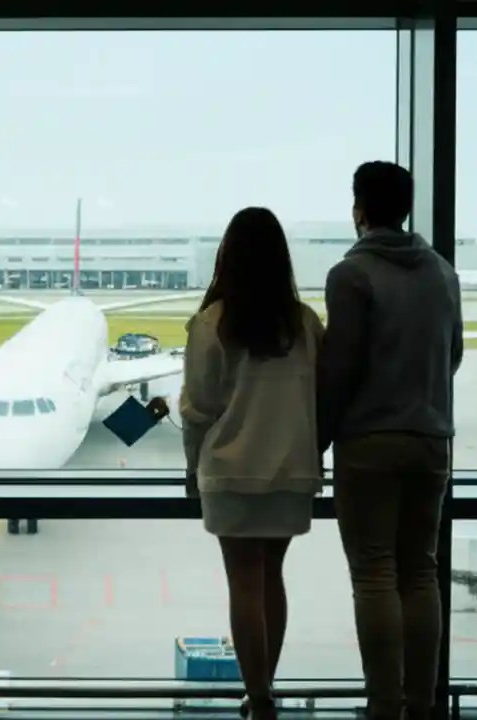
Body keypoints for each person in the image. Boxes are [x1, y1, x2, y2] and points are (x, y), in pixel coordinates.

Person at [318, 161, 463, 720]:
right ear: (405, 208)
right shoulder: (442, 273)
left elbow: (340, 371)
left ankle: (383, 707)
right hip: (430, 439)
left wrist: (318, 439)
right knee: (420, 571)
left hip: (369, 443)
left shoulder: (351, 275)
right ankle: (422, 706)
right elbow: (453, 355)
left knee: (375, 573)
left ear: (358, 209)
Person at [180, 206, 326, 720]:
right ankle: (266, 688)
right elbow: (322, 399)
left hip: (229, 471)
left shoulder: (211, 324)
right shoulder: (305, 324)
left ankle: (259, 695)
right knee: (272, 577)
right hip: (291, 471)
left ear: (227, 257)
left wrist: (190, 470)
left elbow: (198, 408)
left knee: (242, 582)